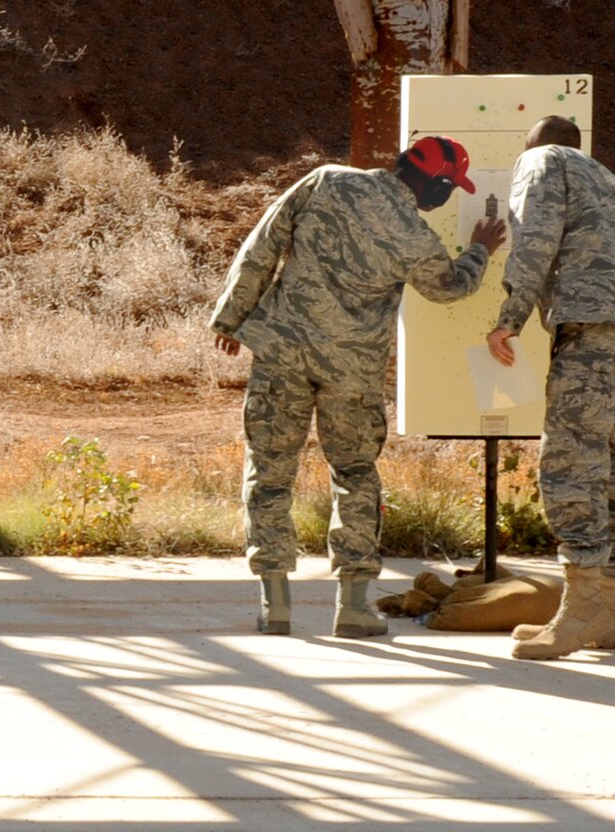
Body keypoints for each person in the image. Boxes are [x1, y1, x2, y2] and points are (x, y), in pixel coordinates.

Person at [211, 137, 506, 639]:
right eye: (450, 187)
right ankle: (352, 606)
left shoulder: (326, 179)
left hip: (282, 353)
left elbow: (263, 243)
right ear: (433, 185)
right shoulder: (415, 236)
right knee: (354, 475)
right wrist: (481, 249)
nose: (449, 197)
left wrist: (232, 316)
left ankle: (275, 604)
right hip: (352, 371)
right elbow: (450, 287)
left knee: (269, 471)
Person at [483, 115, 615, 660]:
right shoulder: (605, 178)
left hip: (591, 328)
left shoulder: (542, 162)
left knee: (571, 464)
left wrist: (510, 315)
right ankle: (604, 616)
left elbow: (535, 241)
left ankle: (584, 606)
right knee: (606, 466)